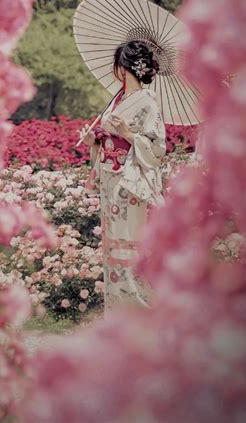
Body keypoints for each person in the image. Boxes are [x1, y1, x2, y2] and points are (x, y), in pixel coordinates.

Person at [79, 40, 166, 313]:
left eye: (116, 63)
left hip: (129, 183)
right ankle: (117, 314)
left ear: (124, 67)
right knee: (113, 247)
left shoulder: (147, 101)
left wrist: (128, 134)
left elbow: (157, 148)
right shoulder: (118, 99)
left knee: (130, 244)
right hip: (110, 181)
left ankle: (139, 314)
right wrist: (94, 141)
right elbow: (107, 138)